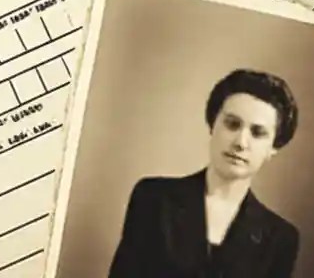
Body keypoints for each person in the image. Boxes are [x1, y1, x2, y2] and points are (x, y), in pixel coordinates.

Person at [107, 69, 300, 278]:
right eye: (232, 124)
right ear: (213, 125)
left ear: (273, 147)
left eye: (258, 133)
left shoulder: (280, 238)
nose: (241, 142)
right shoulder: (154, 199)